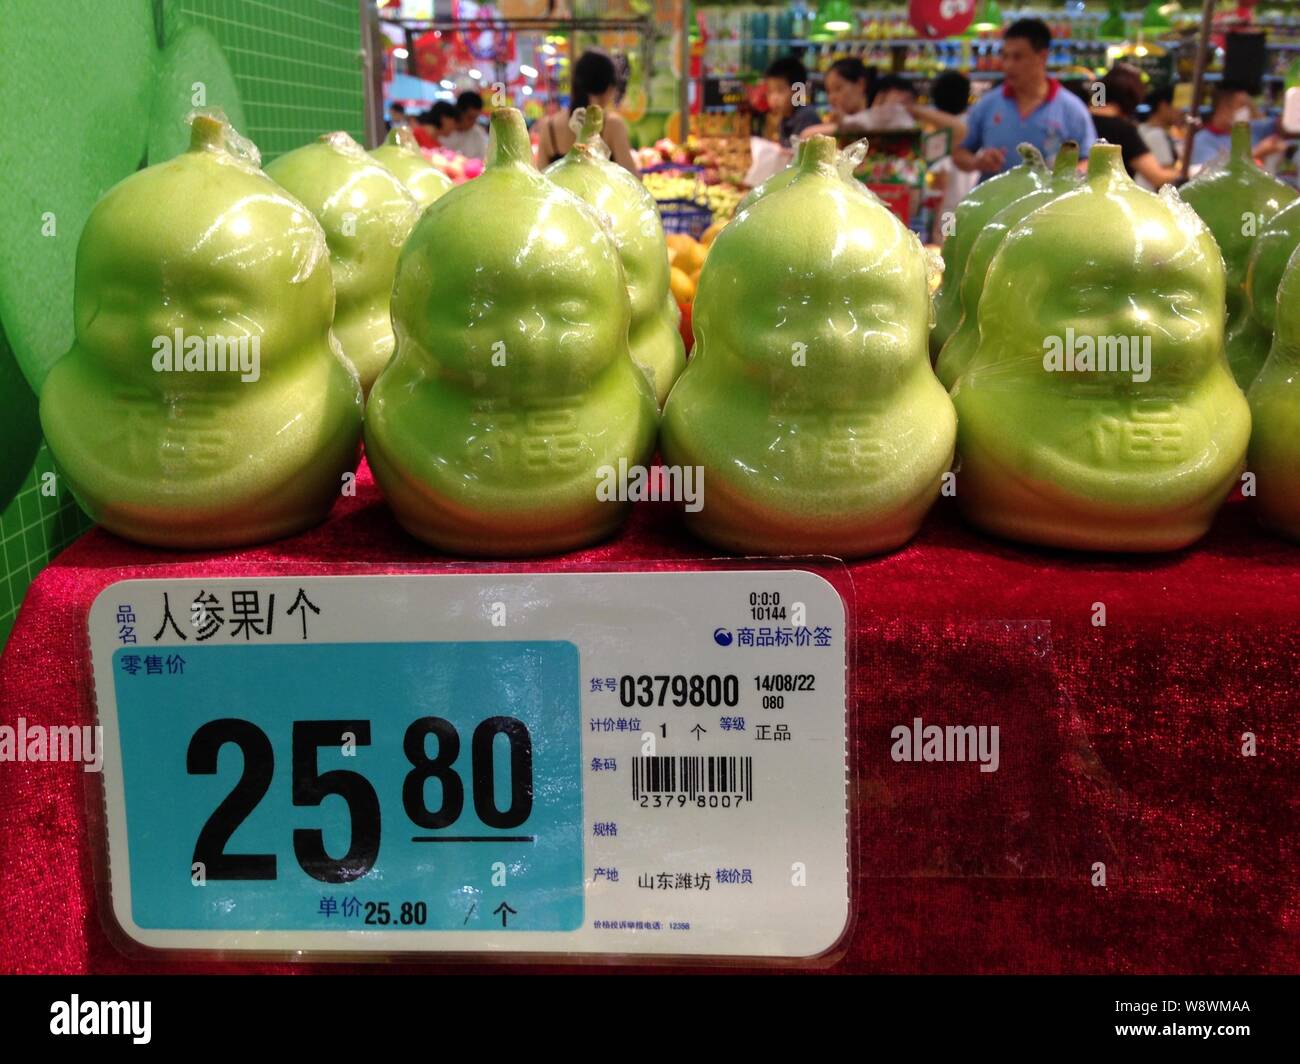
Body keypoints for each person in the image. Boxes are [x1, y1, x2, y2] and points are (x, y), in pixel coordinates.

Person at [954, 17, 1095, 179]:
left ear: (1042, 57)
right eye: (1005, 57)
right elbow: (959, 153)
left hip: (1048, 203)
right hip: (996, 203)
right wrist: (977, 162)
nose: (1007, 65)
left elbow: (1088, 160)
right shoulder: (987, 104)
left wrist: (1068, 176)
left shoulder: (1072, 109)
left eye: (1017, 57)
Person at [533, 49, 638, 173]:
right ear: (609, 88)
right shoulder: (612, 125)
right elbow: (632, 179)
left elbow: (541, 179)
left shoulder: (548, 127)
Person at [1090, 68, 1180, 187]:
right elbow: (1157, 176)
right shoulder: (1123, 129)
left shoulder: (1083, 118)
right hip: (1112, 199)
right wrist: (1188, 173)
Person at [1189, 81, 1286, 170]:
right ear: (1224, 107)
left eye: (1248, 106)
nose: (1246, 111)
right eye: (1242, 105)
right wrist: (1258, 152)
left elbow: (1282, 126)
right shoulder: (1202, 140)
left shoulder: (1252, 129)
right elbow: (1213, 172)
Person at [799, 56, 875, 137]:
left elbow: (807, 134)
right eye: (828, 91)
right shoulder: (837, 122)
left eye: (838, 88)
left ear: (860, 84)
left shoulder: (875, 120)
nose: (832, 97)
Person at [764, 55, 822, 147]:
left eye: (780, 91)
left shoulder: (806, 116)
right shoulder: (785, 116)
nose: (773, 98)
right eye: (770, 91)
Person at [1137, 85, 1181, 189]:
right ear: (1164, 106)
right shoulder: (1156, 135)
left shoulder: (1141, 128)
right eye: (1178, 106)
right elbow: (1164, 177)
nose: (1181, 111)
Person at [440, 90, 488, 159]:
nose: (473, 123)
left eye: (475, 118)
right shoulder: (444, 130)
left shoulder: (478, 133)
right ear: (459, 111)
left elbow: (483, 158)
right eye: (470, 118)